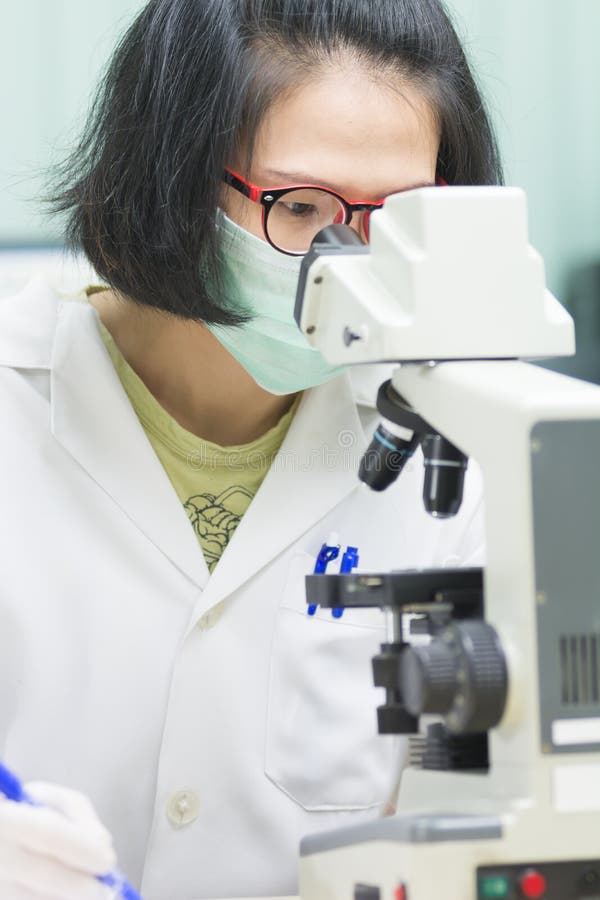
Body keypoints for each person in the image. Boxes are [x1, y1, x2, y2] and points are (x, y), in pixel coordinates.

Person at [0, 0, 502, 897]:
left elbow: (459, 812)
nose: (354, 259)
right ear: (170, 177)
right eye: (304, 207)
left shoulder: (461, 453)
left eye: (405, 217)